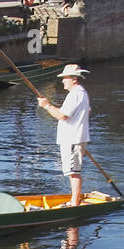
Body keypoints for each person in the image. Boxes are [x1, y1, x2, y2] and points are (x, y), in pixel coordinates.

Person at [37, 64, 91, 207]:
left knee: (73, 172)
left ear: (74, 79)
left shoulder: (76, 94)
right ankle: (74, 199)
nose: (62, 81)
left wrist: (46, 105)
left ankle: (75, 202)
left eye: (65, 78)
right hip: (75, 138)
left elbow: (62, 115)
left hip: (73, 139)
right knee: (72, 171)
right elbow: (87, 111)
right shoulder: (81, 93)